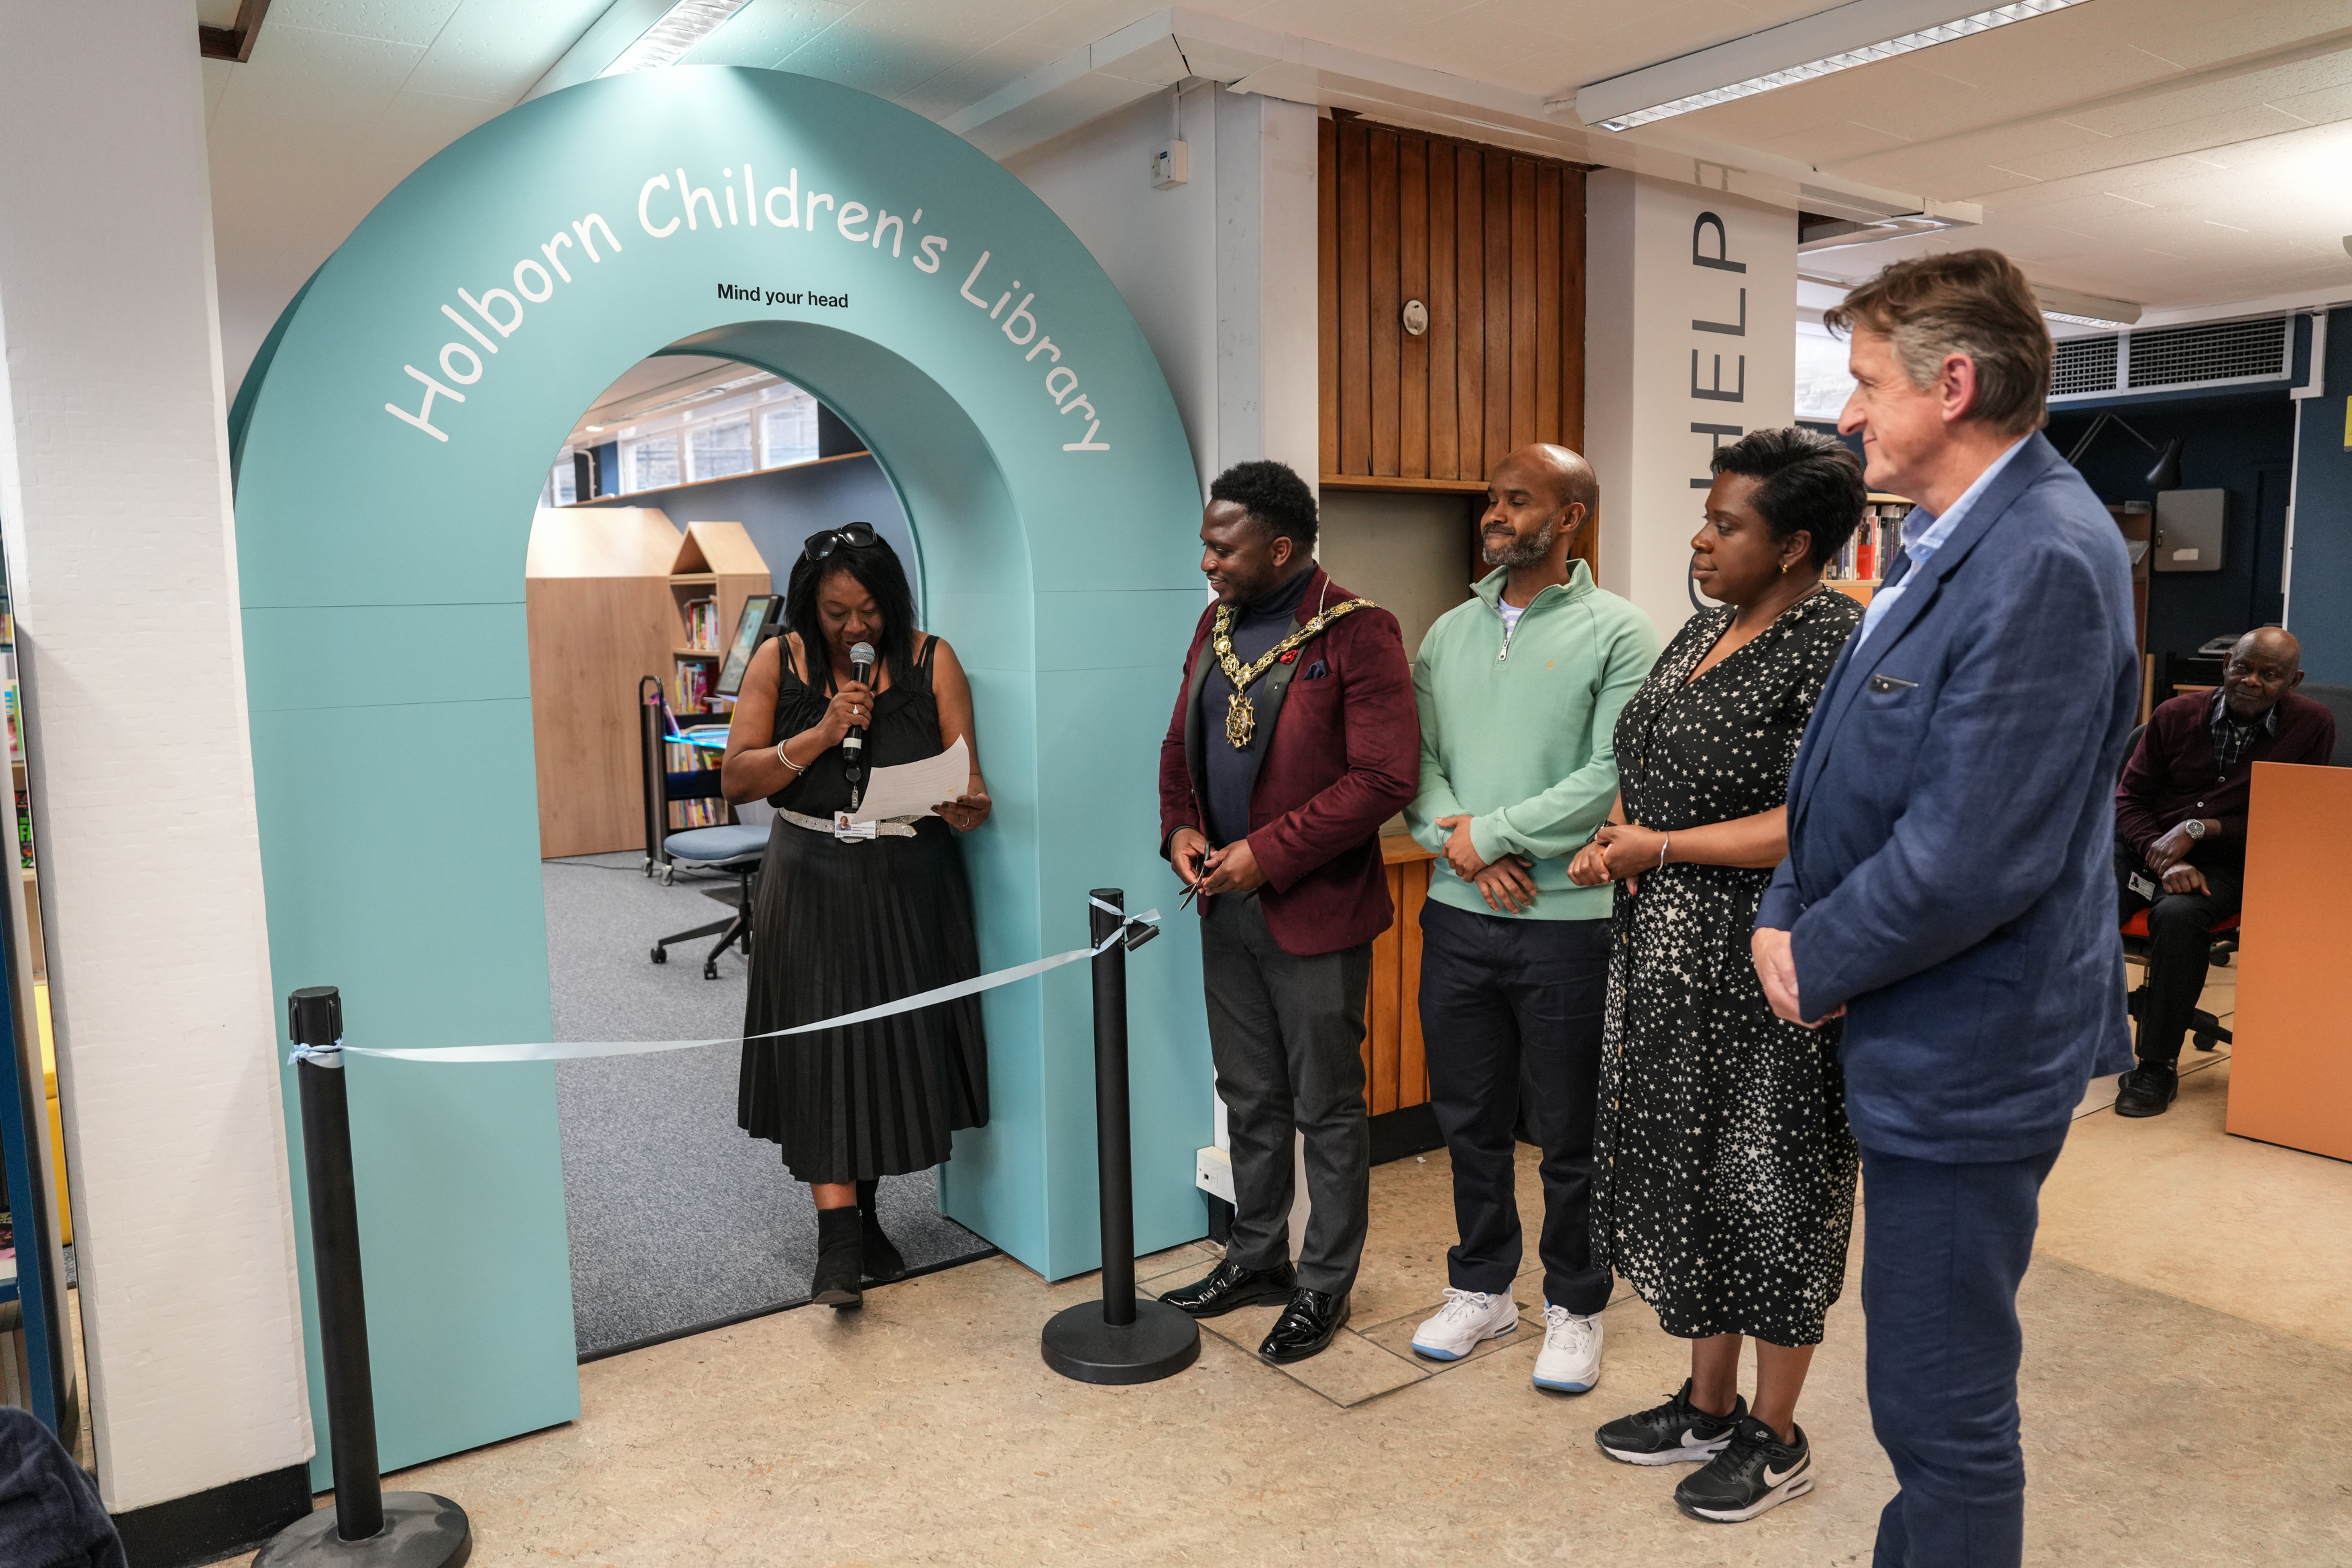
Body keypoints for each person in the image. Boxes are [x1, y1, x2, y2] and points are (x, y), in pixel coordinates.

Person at [1750, 250, 2138, 1567]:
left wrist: (1810, 949)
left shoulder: (2044, 555)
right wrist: (1783, 901)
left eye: (1863, 384)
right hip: (1908, 1018)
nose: (1846, 414)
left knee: (1940, 1405)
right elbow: (1842, 768)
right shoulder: (1937, 538)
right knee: (1918, 1388)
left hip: (1971, 1046)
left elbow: (1971, 853)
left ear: (1951, 384)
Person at [1571, 428, 1865, 1524]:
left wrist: (1662, 847)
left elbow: (1818, 821)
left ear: (1793, 544)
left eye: (1725, 523)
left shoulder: (1834, 641)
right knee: (1689, 1179)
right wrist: (1614, 834)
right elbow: (1648, 767)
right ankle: (1705, 1399)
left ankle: (1773, 1433)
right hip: (1664, 960)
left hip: (1766, 966)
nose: (1699, 537)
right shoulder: (1700, 626)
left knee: (1772, 1190)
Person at [1403, 443, 1658, 1392]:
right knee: (1467, 1116)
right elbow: (1418, 768)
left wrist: (1493, 834)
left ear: (1573, 517)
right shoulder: (1444, 634)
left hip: (1571, 922)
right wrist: (1457, 842)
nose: (1495, 516)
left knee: (1569, 1127)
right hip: (1458, 917)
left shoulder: (1621, 631)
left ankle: (1576, 1302)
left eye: (1518, 501)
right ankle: (1482, 1287)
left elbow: (1609, 773)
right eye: (1492, 501)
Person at [1155, 459, 1419, 1365]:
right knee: (1249, 1096)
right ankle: (1257, 1254)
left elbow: (1385, 777)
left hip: (1314, 913)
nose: (1207, 562)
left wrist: (1265, 854)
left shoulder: (1358, 631)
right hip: (1221, 907)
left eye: (1220, 547)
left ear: (1279, 546)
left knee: (1327, 1107)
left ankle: (1324, 1282)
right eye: (1204, 544)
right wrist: (1184, 827)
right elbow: (1176, 743)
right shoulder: (1215, 624)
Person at [721, 524, 996, 1310]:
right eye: (836, 611)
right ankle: (837, 1243)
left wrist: (969, 804)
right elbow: (737, 778)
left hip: (909, 877)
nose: (854, 628)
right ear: (810, 605)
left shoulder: (931, 658)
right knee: (822, 1051)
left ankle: (865, 1217)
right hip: (808, 874)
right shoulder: (782, 660)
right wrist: (818, 733)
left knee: (880, 1049)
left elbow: (969, 774)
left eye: (869, 609)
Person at [2113, 626, 2333, 1115]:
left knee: (2177, 915)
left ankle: (2156, 1066)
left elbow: (2294, 817)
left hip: (2229, 862)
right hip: (2146, 850)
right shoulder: (2174, 714)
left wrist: (2204, 828)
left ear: (2292, 680)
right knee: (2088, 895)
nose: (2252, 680)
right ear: (2227, 663)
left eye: (2270, 674)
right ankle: (2048, 1038)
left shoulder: (2312, 726)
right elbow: (2128, 799)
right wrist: (2160, 850)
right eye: (2243, 667)